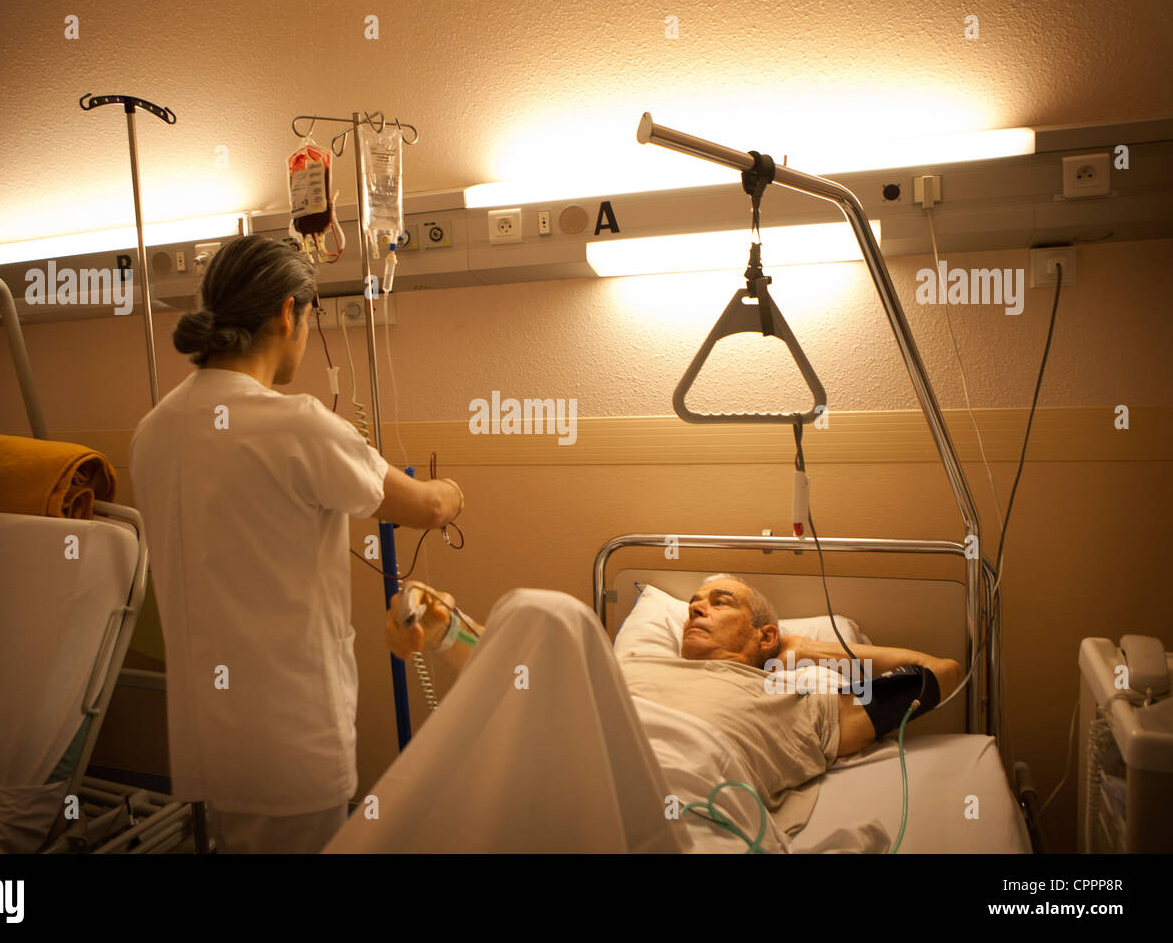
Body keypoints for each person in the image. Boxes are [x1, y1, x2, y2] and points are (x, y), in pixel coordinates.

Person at [129, 235, 464, 853]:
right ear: (288, 313)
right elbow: (425, 507)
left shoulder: (153, 432)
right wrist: (455, 492)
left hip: (205, 739)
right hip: (289, 738)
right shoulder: (297, 425)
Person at [363, 576, 962, 851]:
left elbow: (941, 671)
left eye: (718, 601)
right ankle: (449, 635)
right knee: (544, 621)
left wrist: (807, 652)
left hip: (673, 797)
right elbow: (533, 693)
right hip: (565, 767)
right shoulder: (620, 669)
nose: (695, 609)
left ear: (763, 636)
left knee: (552, 617)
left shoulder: (796, 699)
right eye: (692, 601)